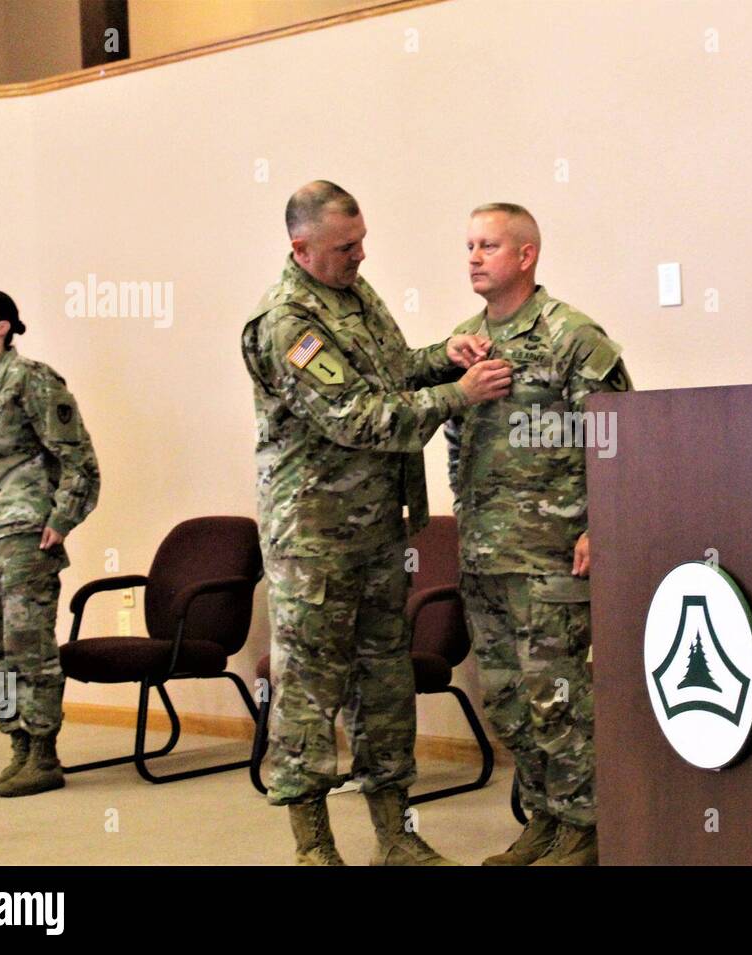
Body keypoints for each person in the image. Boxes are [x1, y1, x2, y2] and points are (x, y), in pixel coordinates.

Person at [241, 181, 511, 866]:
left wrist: (441, 355)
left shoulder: (352, 296)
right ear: (300, 248)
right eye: (344, 247)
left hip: (376, 535)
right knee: (310, 690)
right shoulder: (284, 323)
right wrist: (459, 395)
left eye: (361, 241)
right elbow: (359, 417)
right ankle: (313, 845)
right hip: (315, 543)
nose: (360, 255)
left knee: (385, 685)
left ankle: (396, 832)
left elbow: (389, 375)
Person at [446, 203, 631, 865]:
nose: (473, 256)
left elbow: (617, 435)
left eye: (488, 245)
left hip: (552, 555)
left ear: (526, 255)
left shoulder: (569, 335)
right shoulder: (467, 343)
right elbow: (456, 444)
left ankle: (587, 830)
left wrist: (600, 523)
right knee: (506, 700)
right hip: (486, 556)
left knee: (558, 699)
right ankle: (545, 821)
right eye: (469, 244)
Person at [0, 290, 100, 798]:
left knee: (29, 648)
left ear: (3, 327)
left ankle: (44, 754)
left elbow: (79, 457)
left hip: (22, 536)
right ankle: (16, 746)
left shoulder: (32, 380)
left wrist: (62, 519)